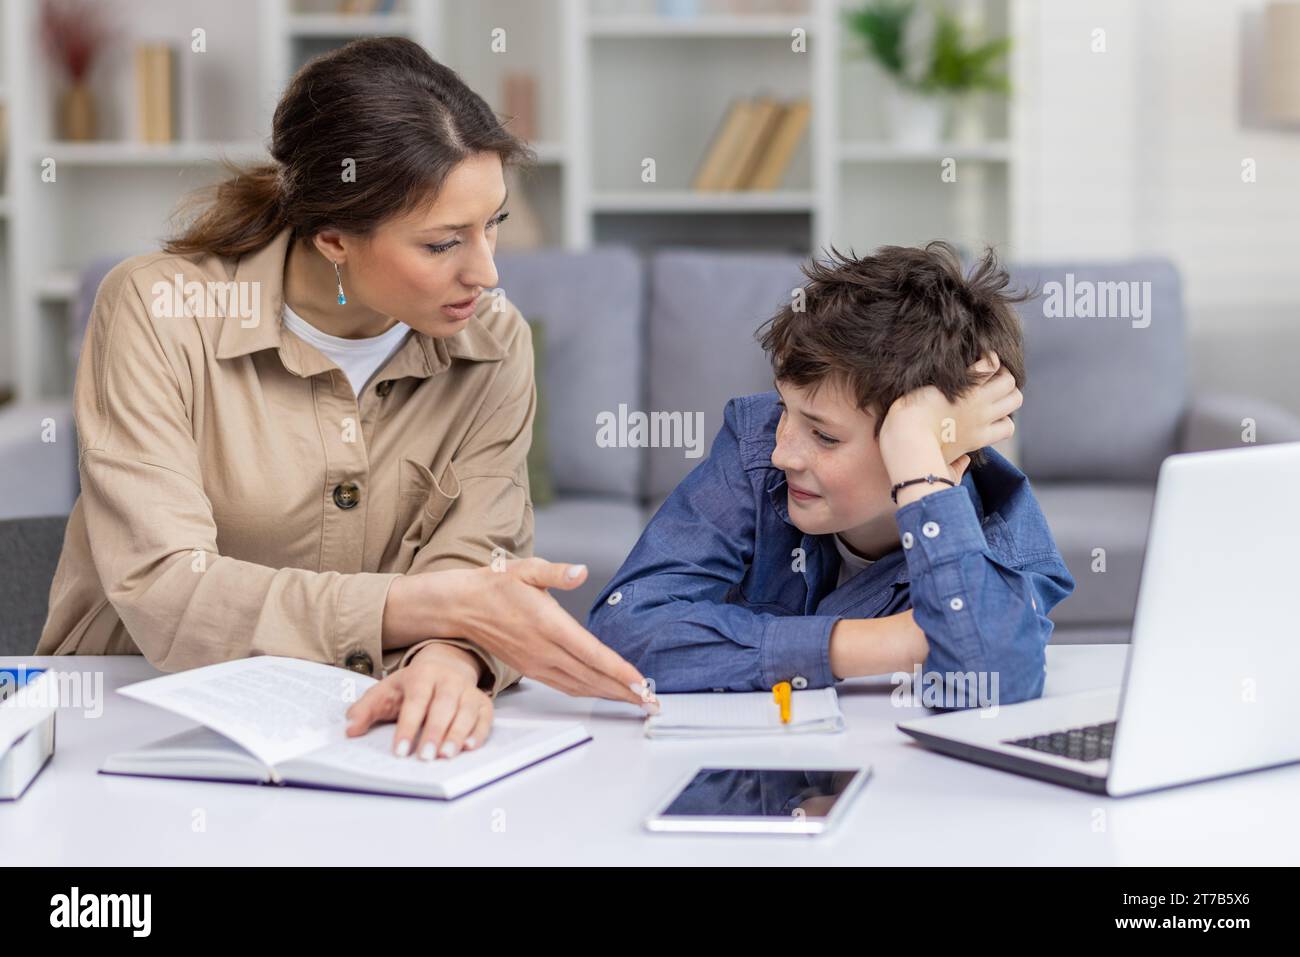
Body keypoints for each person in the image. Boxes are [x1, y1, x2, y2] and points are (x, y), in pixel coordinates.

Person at [36, 37, 656, 764]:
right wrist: (421, 607)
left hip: (362, 723)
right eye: (442, 244)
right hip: (129, 717)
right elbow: (168, 588)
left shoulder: (495, 344)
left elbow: (473, 556)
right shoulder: (156, 310)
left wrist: (450, 662)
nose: (486, 271)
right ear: (333, 238)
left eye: (495, 224)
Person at [587, 241, 1075, 706]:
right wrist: (880, 643)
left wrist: (917, 460)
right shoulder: (758, 444)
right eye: (785, 408)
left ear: (940, 447)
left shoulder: (1001, 533)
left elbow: (996, 679)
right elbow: (622, 629)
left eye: (825, 437)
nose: (784, 454)